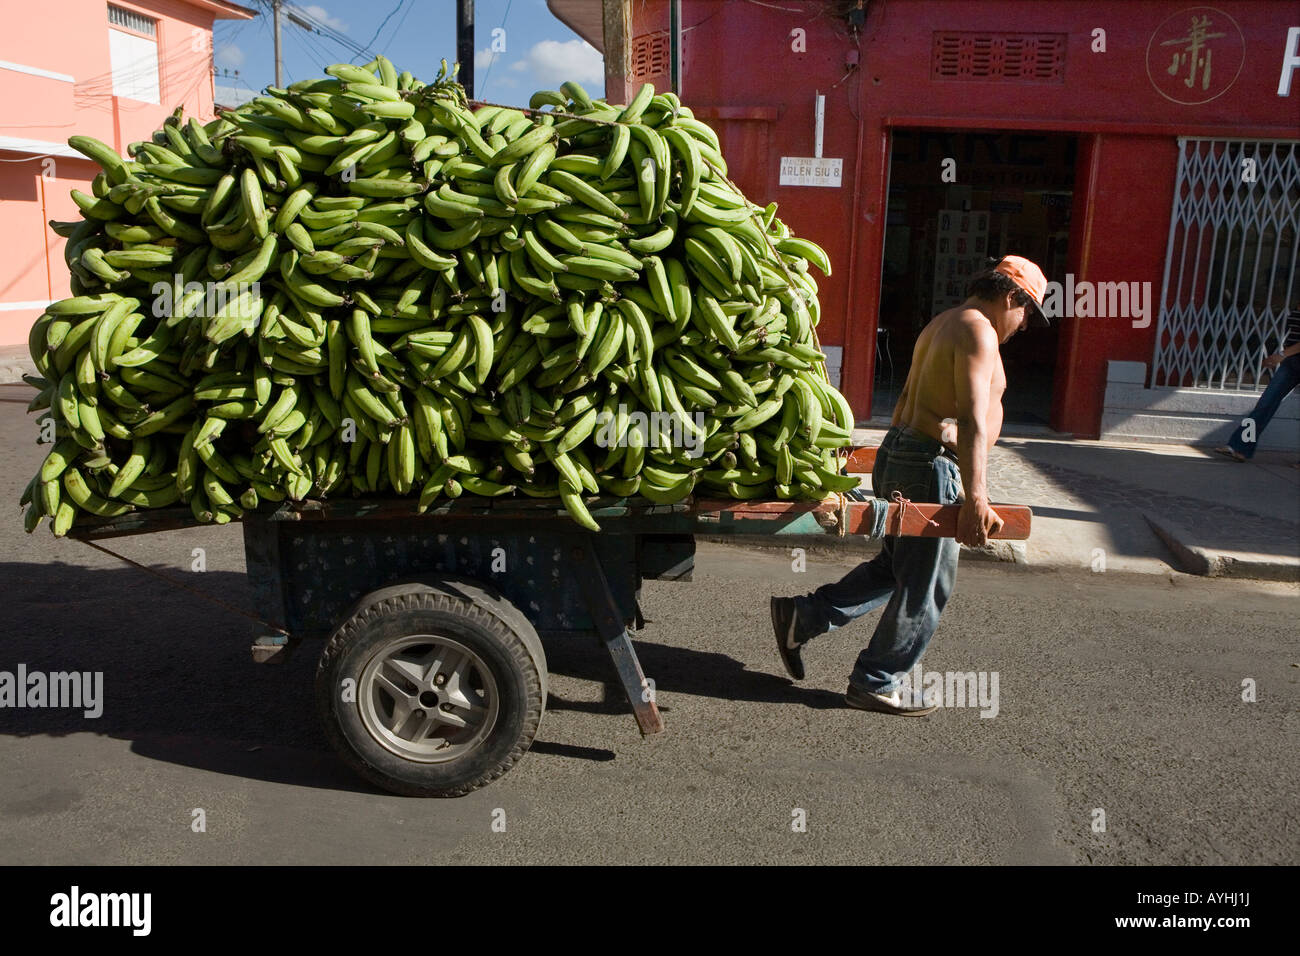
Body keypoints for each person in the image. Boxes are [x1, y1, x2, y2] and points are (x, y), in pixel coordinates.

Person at [769, 255, 1049, 715]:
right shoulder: (979, 329)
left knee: (895, 569)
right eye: (1026, 315)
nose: (1023, 327)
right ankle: (875, 682)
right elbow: (974, 418)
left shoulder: (944, 322)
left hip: (900, 453)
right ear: (1012, 296)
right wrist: (977, 496)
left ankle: (805, 616)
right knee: (927, 583)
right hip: (927, 465)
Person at [1215, 308, 1300, 466]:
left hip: (1289, 357)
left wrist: (1281, 355)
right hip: (1292, 362)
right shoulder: (1295, 306)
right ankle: (1239, 448)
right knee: (1265, 404)